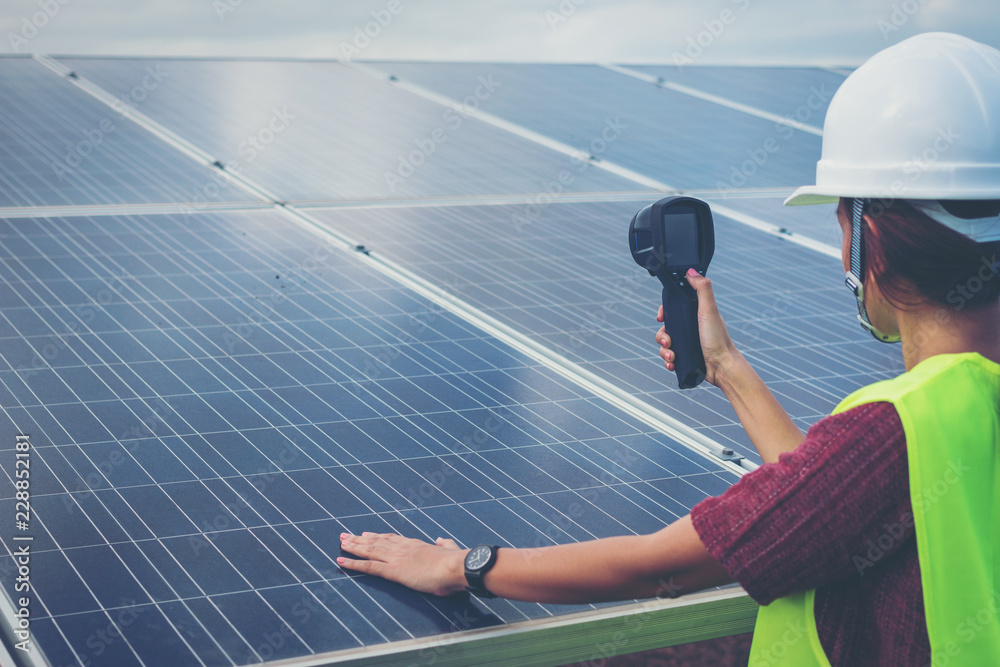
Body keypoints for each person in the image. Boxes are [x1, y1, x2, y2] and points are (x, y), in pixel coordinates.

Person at [338, 32, 1000, 666]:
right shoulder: (948, 415)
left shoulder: (901, 426)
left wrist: (462, 565)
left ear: (871, 238)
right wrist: (727, 368)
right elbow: (830, 500)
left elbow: (667, 564)